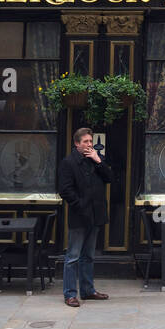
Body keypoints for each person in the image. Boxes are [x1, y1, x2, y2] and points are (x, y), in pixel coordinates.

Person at [56, 127, 112, 308]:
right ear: (77, 144)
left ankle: (88, 291)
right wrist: (80, 205)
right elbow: (65, 190)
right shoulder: (68, 162)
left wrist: (98, 161)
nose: (89, 145)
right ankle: (70, 294)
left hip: (95, 215)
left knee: (88, 256)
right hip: (80, 215)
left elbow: (110, 177)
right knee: (73, 256)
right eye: (85, 142)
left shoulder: (96, 159)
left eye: (90, 141)